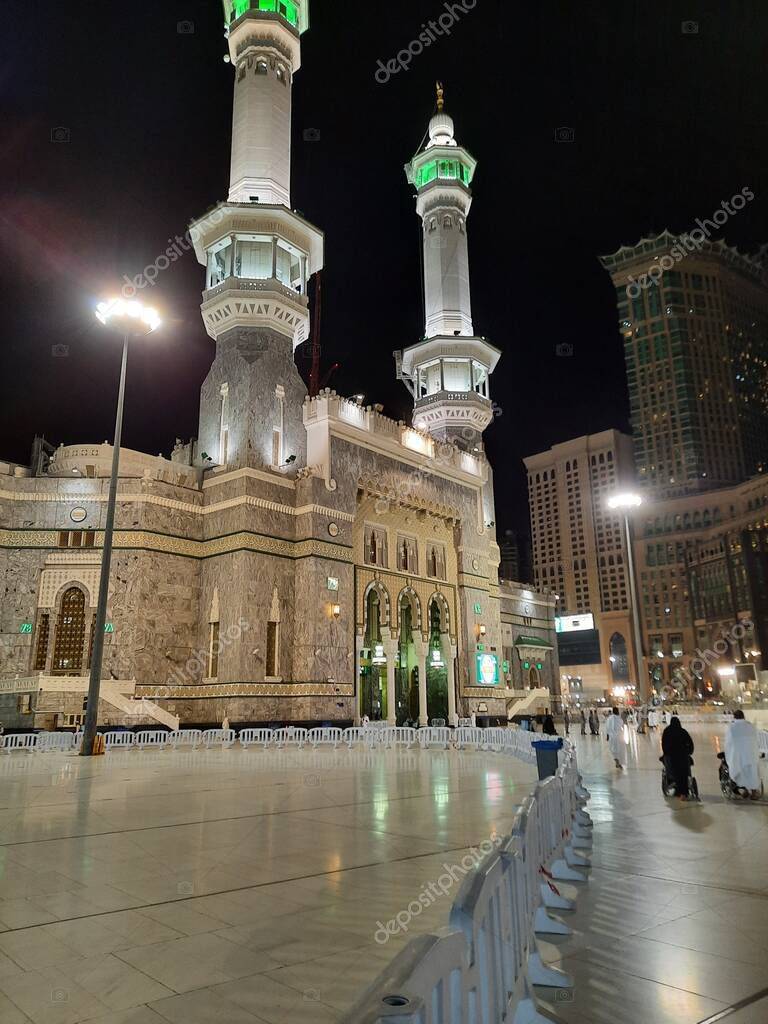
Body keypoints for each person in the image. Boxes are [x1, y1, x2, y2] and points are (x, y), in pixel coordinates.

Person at [725, 710, 761, 798]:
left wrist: (728, 755)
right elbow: (757, 740)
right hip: (751, 754)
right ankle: (754, 792)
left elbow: (728, 743)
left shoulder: (731, 728)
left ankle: (744, 790)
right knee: (752, 773)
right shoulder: (751, 727)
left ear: (734, 717)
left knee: (740, 773)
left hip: (738, 756)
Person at [661, 715, 694, 799]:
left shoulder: (667, 731)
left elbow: (664, 744)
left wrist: (666, 753)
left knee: (675, 774)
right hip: (683, 756)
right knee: (683, 774)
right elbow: (690, 743)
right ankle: (684, 793)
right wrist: (689, 752)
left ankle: (679, 792)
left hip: (671, 757)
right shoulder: (683, 731)